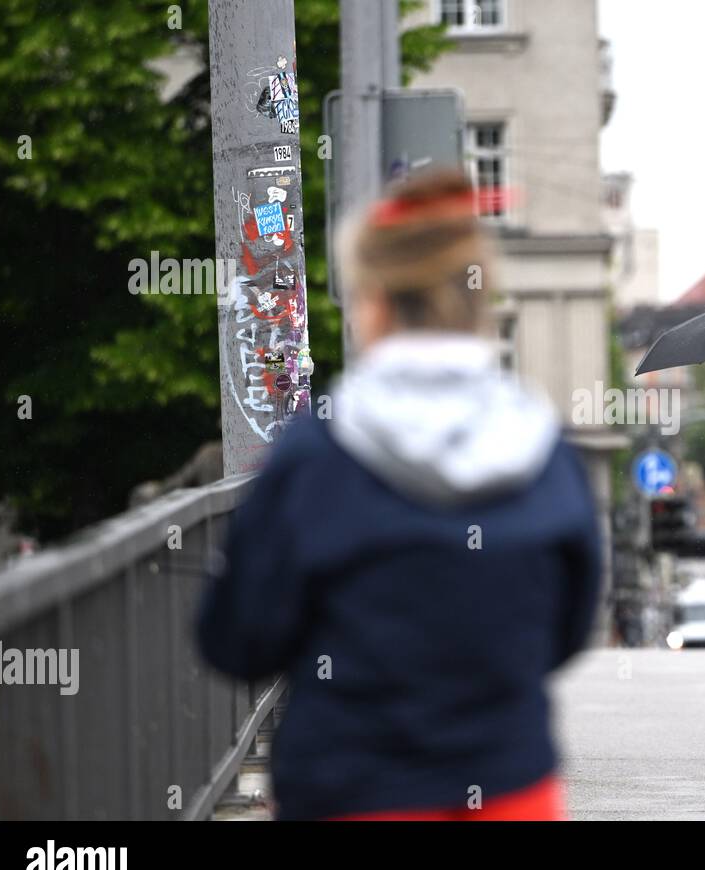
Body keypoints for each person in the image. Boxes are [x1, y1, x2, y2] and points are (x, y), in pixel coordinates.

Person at [197, 169, 602, 821]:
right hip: (511, 787)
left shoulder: (317, 456)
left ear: (376, 303)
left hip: (350, 789)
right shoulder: (544, 452)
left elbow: (237, 639)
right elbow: (569, 629)